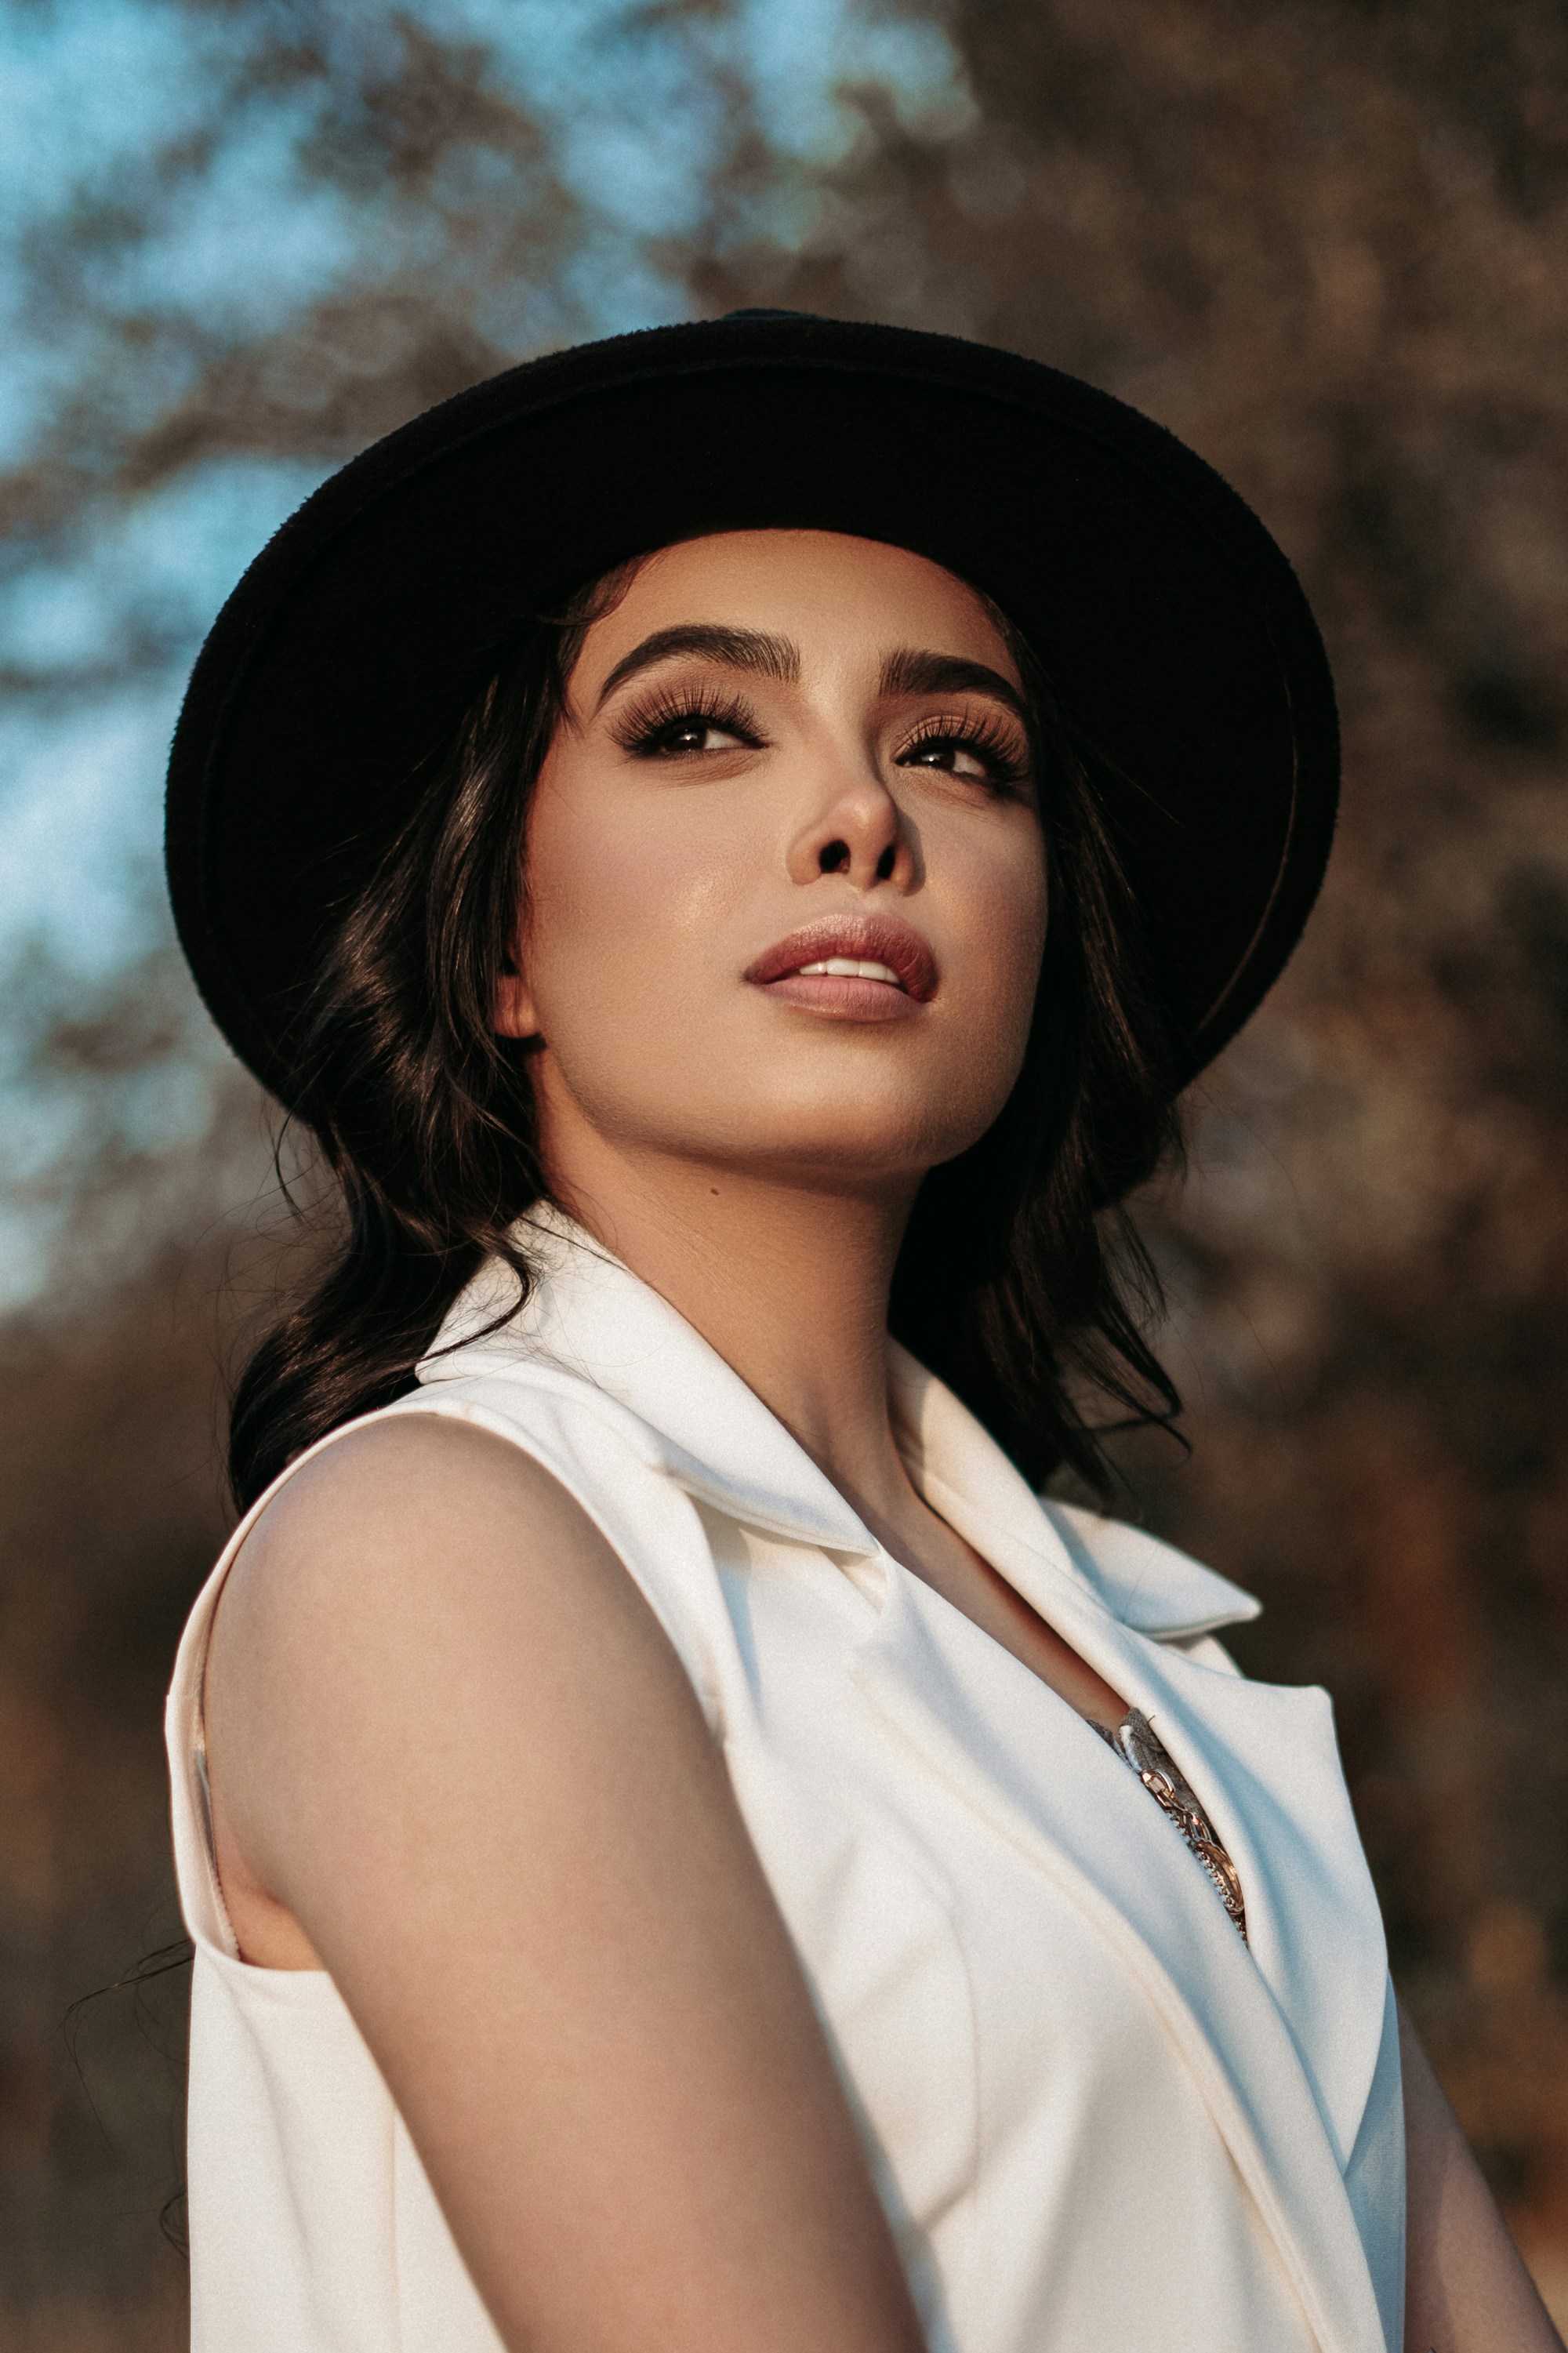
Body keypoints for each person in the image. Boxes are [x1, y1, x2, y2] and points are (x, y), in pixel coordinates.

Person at [162, 312, 1562, 2353]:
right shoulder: (436, 1547)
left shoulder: (1150, 1652)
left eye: (957, 751)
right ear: (495, 941)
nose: (857, 814)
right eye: (698, 729)